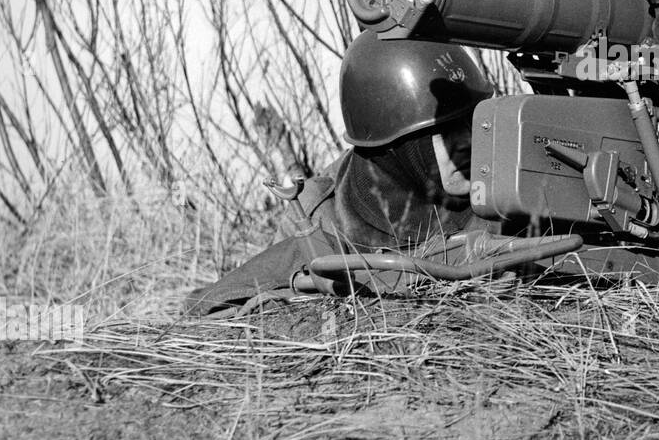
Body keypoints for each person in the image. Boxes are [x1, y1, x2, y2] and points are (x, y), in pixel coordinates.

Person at [187, 31, 496, 315]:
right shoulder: (319, 219)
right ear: (398, 145)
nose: (469, 142)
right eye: (446, 130)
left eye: (475, 121)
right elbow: (209, 309)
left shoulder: (510, 194)